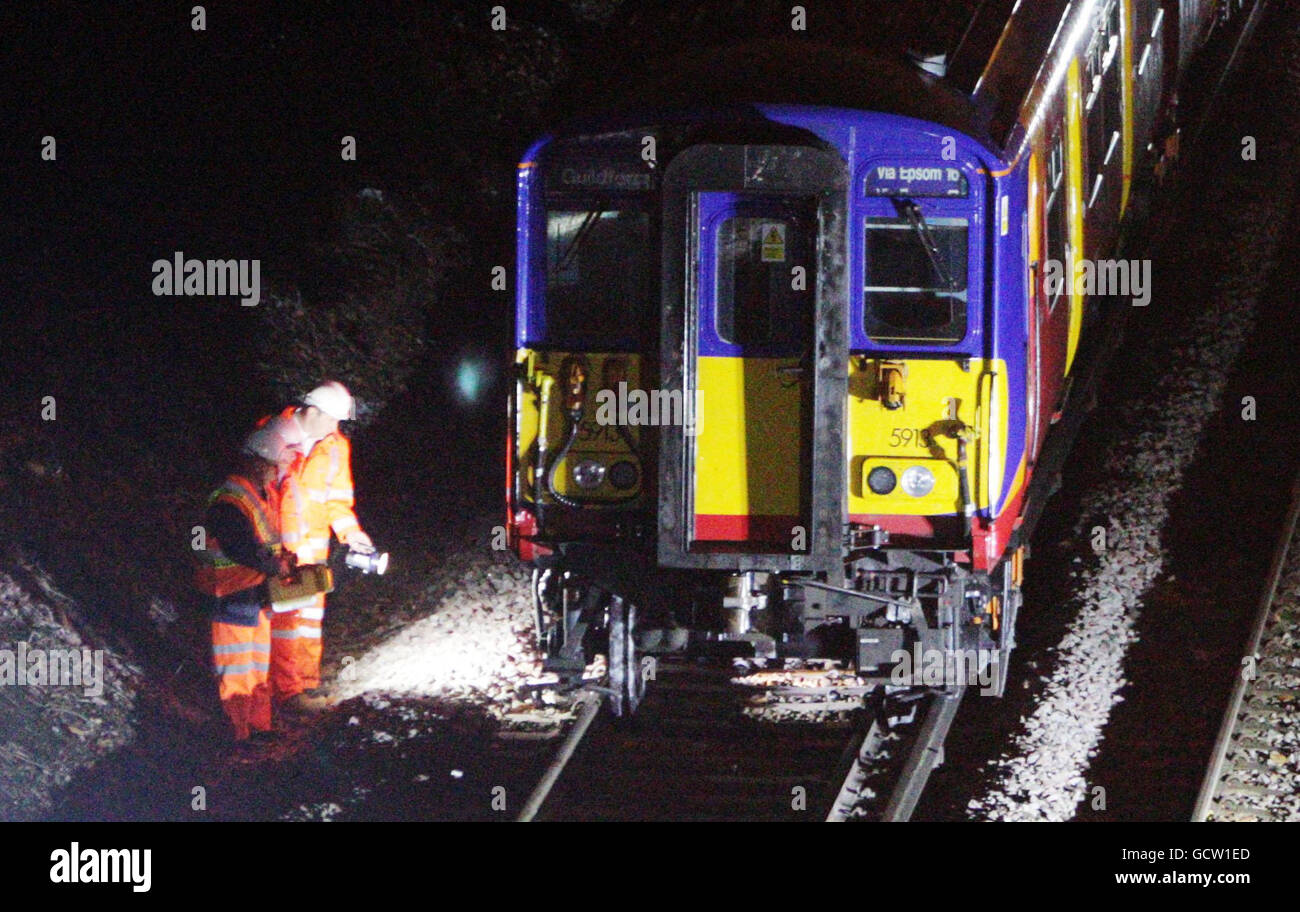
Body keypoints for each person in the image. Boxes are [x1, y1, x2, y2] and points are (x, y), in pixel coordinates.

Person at [261, 381, 372, 712]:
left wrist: (351, 532)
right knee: (282, 620)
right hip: (276, 547)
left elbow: (337, 500)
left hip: (312, 549)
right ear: (312, 411)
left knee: (308, 619)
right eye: (331, 420)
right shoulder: (274, 433)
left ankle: (304, 685)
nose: (335, 428)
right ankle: (286, 692)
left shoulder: (336, 445)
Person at [194, 426, 297, 744]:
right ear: (259, 462)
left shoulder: (256, 496)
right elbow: (239, 545)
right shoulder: (230, 498)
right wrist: (272, 564)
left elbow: (260, 543)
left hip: (253, 594)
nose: (276, 473)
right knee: (237, 670)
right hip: (229, 595)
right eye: (275, 466)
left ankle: (260, 728)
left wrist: (280, 560)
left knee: (255, 667)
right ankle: (238, 735)